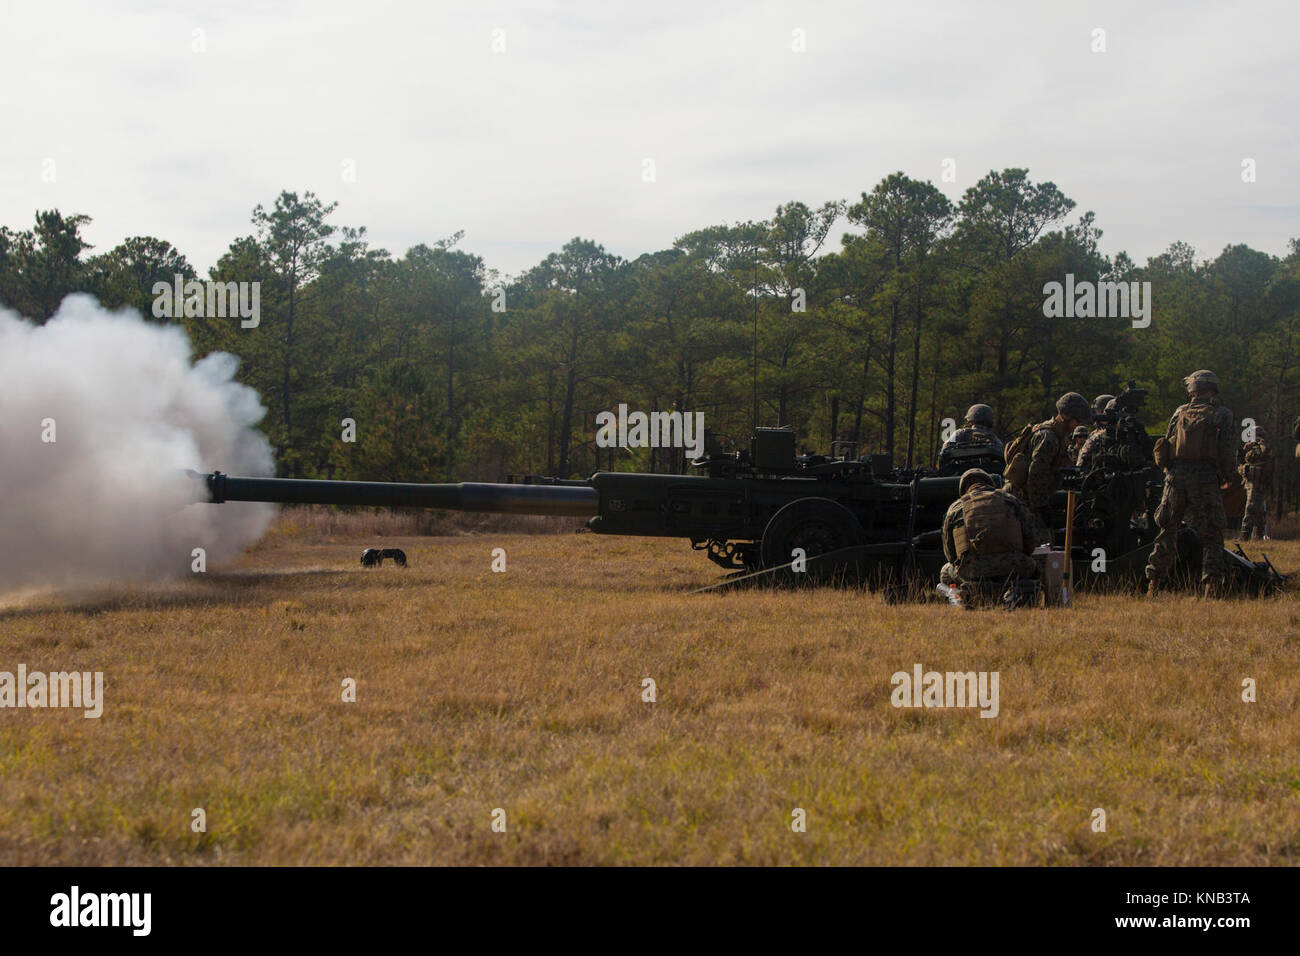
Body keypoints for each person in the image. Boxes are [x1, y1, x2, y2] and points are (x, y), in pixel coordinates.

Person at [1145, 370, 1235, 597]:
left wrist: (1169, 472)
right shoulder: (1222, 414)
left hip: (1175, 479)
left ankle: (1154, 584)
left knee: (1167, 531)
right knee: (1212, 535)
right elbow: (1227, 450)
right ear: (1213, 390)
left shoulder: (1179, 412)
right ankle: (1211, 588)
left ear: (1192, 390)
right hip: (1205, 479)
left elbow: (1165, 445)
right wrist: (1228, 476)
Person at [1005, 392, 1093, 544]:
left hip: (1029, 497)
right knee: (1041, 544)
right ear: (1066, 416)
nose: (1078, 425)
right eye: (1077, 421)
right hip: (1024, 499)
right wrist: (1041, 507)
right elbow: (1036, 474)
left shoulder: (1058, 435)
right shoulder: (1049, 437)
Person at [939, 468, 1038, 595]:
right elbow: (1030, 542)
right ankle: (1020, 590)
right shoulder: (1010, 500)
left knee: (945, 572)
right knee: (1034, 565)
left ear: (963, 489)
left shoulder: (955, 509)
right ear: (990, 483)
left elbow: (951, 555)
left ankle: (962, 599)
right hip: (1015, 566)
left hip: (973, 571)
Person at [1237, 426, 1276, 540]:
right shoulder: (1251, 447)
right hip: (1250, 481)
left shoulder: (1263, 446)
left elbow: (1264, 453)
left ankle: (1245, 535)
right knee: (1258, 510)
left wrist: (1258, 442)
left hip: (1257, 482)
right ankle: (1259, 535)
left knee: (1250, 507)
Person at [938, 404, 1004, 465]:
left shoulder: (959, 434)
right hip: (989, 474)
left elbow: (943, 455)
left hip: (957, 473)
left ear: (970, 419)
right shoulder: (994, 439)